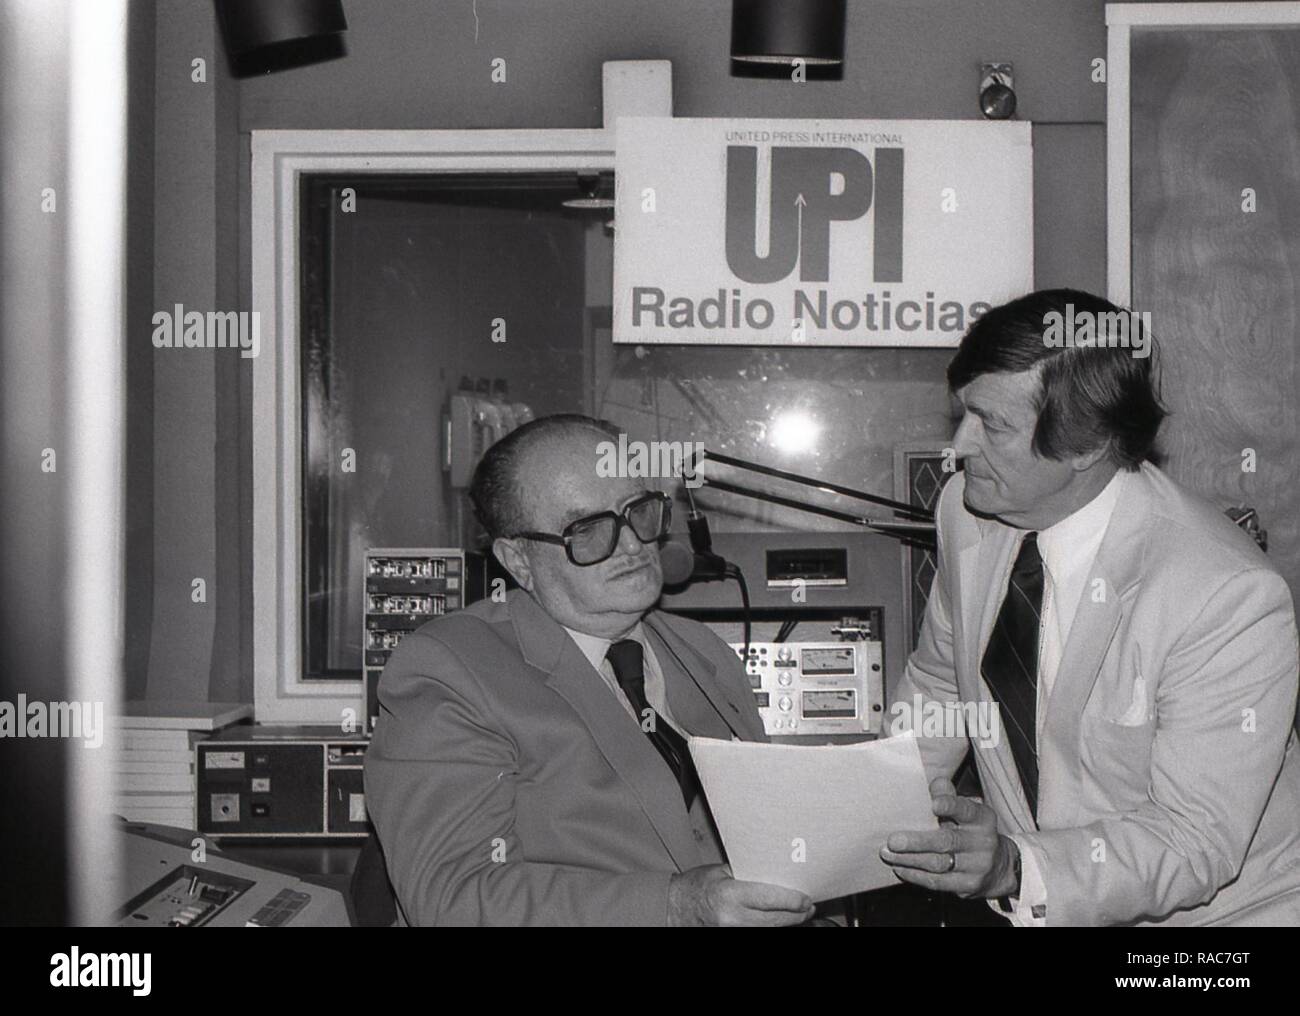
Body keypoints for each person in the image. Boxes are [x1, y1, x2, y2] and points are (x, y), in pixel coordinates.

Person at [884, 288, 1300, 926]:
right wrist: (872, 807)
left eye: (992, 424)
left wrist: (1016, 868)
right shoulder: (965, 512)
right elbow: (942, 684)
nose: (960, 447)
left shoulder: (1227, 594)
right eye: (964, 413)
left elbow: (1194, 840)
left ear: (1086, 445)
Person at [364, 413, 814, 926]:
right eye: (588, 529)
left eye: (637, 511)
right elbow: (455, 900)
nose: (631, 545)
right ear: (519, 559)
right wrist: (675, 906)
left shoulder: (703, 651)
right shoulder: (448, 669)